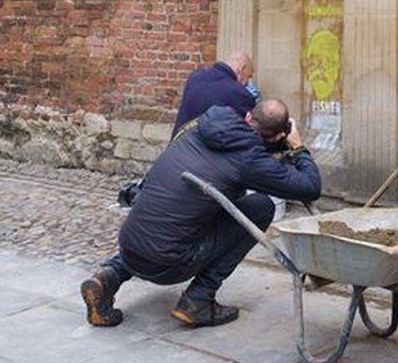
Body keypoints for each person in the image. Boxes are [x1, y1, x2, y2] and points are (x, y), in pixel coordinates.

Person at [81, 99, 321, 328]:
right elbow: (310, 187)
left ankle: (108, 277)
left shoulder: (201, 126)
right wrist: (297, 147)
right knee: (261, 207)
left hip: (129, 246)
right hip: (169, 265)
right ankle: (199, 300)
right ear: (279, 136)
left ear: (248, 116)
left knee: (173, 218)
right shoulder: (249, 160)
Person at [173, 51, 259, 134]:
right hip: (205, 142)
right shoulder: (240, 93)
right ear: (242, 68)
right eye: (248, 76)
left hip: (179, 140)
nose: (247, 83)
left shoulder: (195, 77)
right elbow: (245, 135)